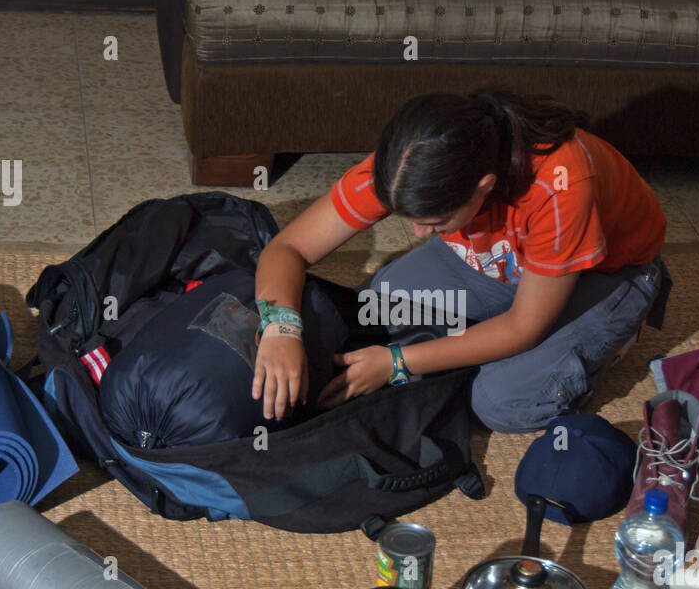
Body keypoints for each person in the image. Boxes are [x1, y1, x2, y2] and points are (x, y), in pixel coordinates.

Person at [251, 89, 670, 433]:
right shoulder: (409, 163)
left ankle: (619, 330)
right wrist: (279, 327)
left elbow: (524, 327)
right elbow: (287, 249)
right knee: (375, 308)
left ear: (483, 188)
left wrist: (397, 364)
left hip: (605, 273)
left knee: (500, 401)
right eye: (409, 219)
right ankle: (487, 325)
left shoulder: (560, 185)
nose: (417, 234)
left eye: (433, 221)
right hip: (501, 262)